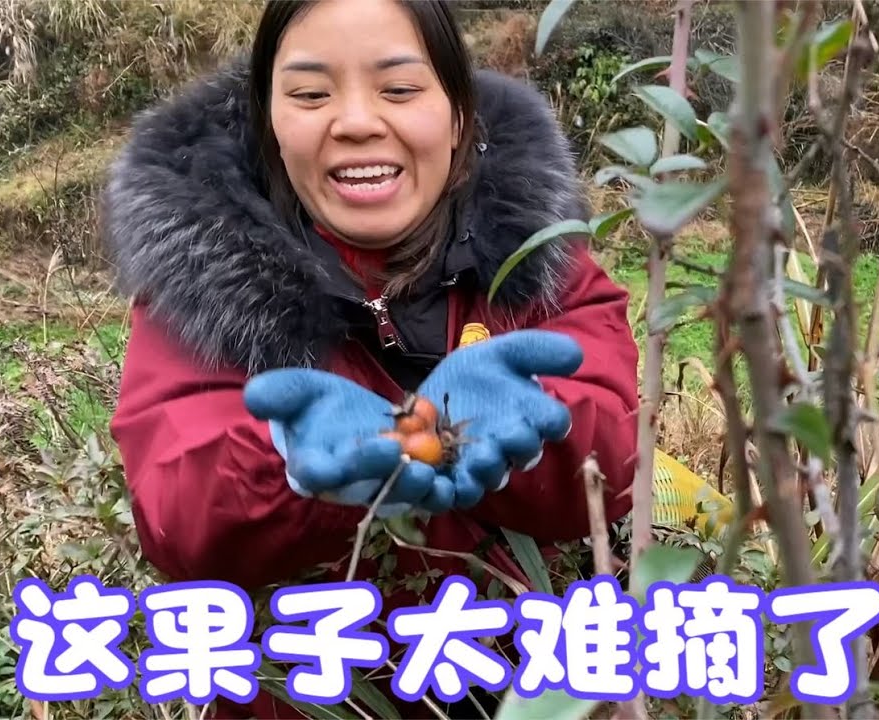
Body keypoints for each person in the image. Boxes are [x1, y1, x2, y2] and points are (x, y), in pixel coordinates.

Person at [99, 0, 639, 716]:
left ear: (458, 115)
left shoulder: (544, 262)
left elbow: (619, 443)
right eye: (310, 93)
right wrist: (286, 460)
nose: (355, 122)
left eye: (399, 88)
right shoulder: (198, 290)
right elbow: (178, 513)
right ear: (270, 126)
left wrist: (537, 417)